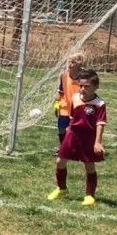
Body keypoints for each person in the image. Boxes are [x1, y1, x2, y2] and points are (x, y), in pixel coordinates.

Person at [46, 69, 105, 206]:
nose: (83, 89)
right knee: (60, 161)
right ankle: (61, 188)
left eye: (87, 86)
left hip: (88, 136)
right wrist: (69, 127)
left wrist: (97, 142)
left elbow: (100, 124)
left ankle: (89, 195)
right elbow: (73, 116)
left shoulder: (100, 104)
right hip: (73, 133)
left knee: (89, 165)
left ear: (95, 87)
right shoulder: (75, 98)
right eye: (81, 86)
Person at [54, 53, 87, 144]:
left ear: (79, 64)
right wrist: (56, 102)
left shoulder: (84, 77)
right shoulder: (64, 75)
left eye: (73, 62)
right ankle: (63, 148)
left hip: (79, 106)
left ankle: (77, 147)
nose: (69, 64)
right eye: (68, 62)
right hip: (65, 105)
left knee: (75, 129)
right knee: (61, 128)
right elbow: (60, 90)